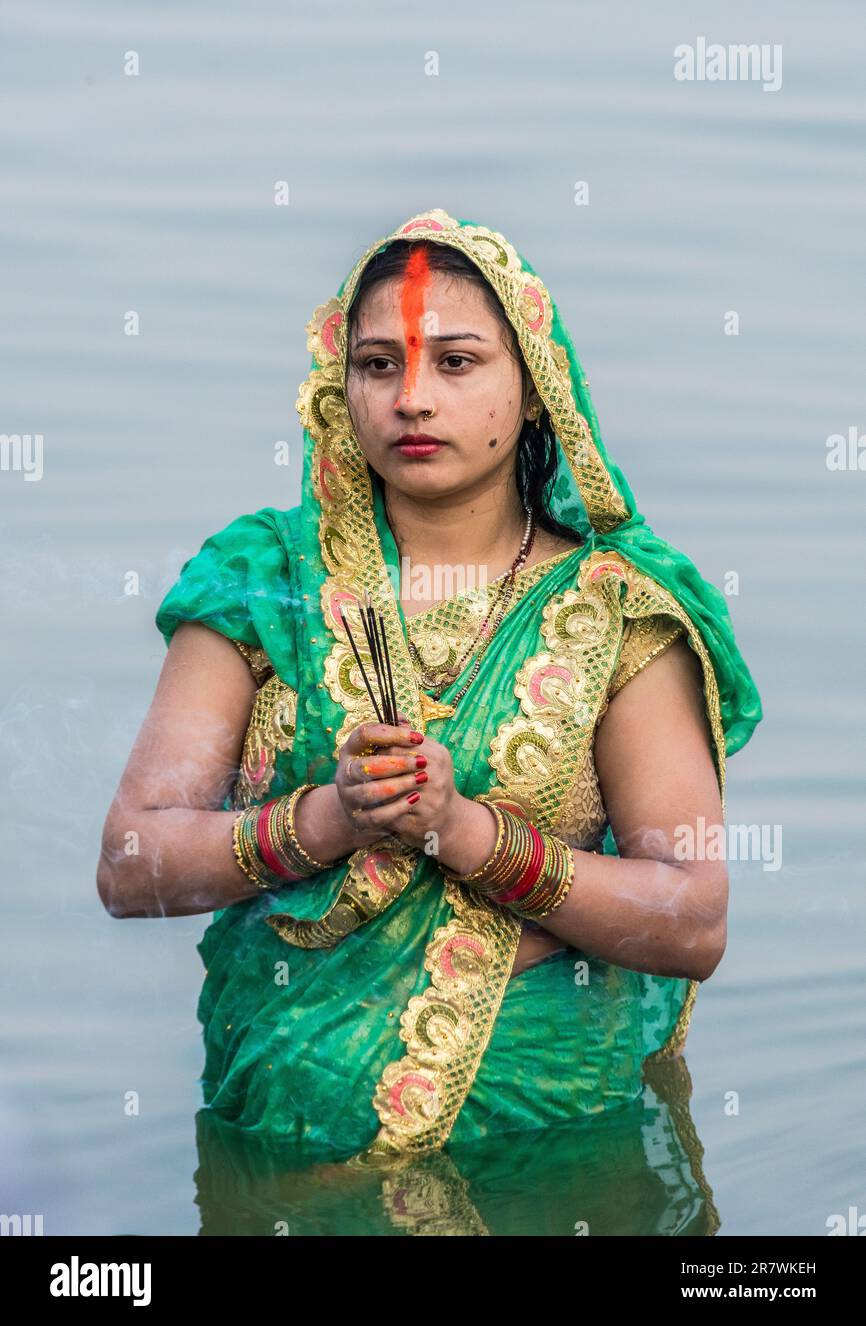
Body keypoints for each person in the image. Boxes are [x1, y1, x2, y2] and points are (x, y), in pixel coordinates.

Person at [97, 207, 762, 1166]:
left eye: (456, 363)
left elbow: (694, 920)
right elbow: (129, 864)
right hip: (281, 1140)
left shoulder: (616, 610)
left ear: (533, 389)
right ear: (342, 386)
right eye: (378, 364)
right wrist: (328, 818)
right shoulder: (260, 582)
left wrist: (465, 832)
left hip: (546, 1150)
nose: (412, 398)